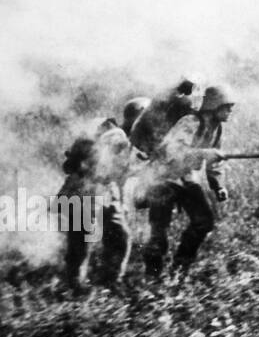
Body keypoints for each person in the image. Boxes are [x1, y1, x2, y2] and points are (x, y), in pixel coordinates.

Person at [139, 85, 233, 278]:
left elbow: (214, 162)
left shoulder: (217, 128)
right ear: (214, 105)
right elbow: (172, 152)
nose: (230, 111)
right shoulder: (191, 121)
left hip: (187, 178)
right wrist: (203, 153)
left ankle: (180, 269)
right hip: (162, 177)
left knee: (204, 222)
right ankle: (152, 277)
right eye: (227, 106)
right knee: (159, 230)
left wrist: (218, 185)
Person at [57, 117, 135, 292]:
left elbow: (118, 175)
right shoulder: (90, 141)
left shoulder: (123, 144)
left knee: (119, 235)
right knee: (80, 240)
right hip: (81, 192)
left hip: (105, 192)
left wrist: (120, 203)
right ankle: (75, 285)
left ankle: (112, 279)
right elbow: (73, 168)